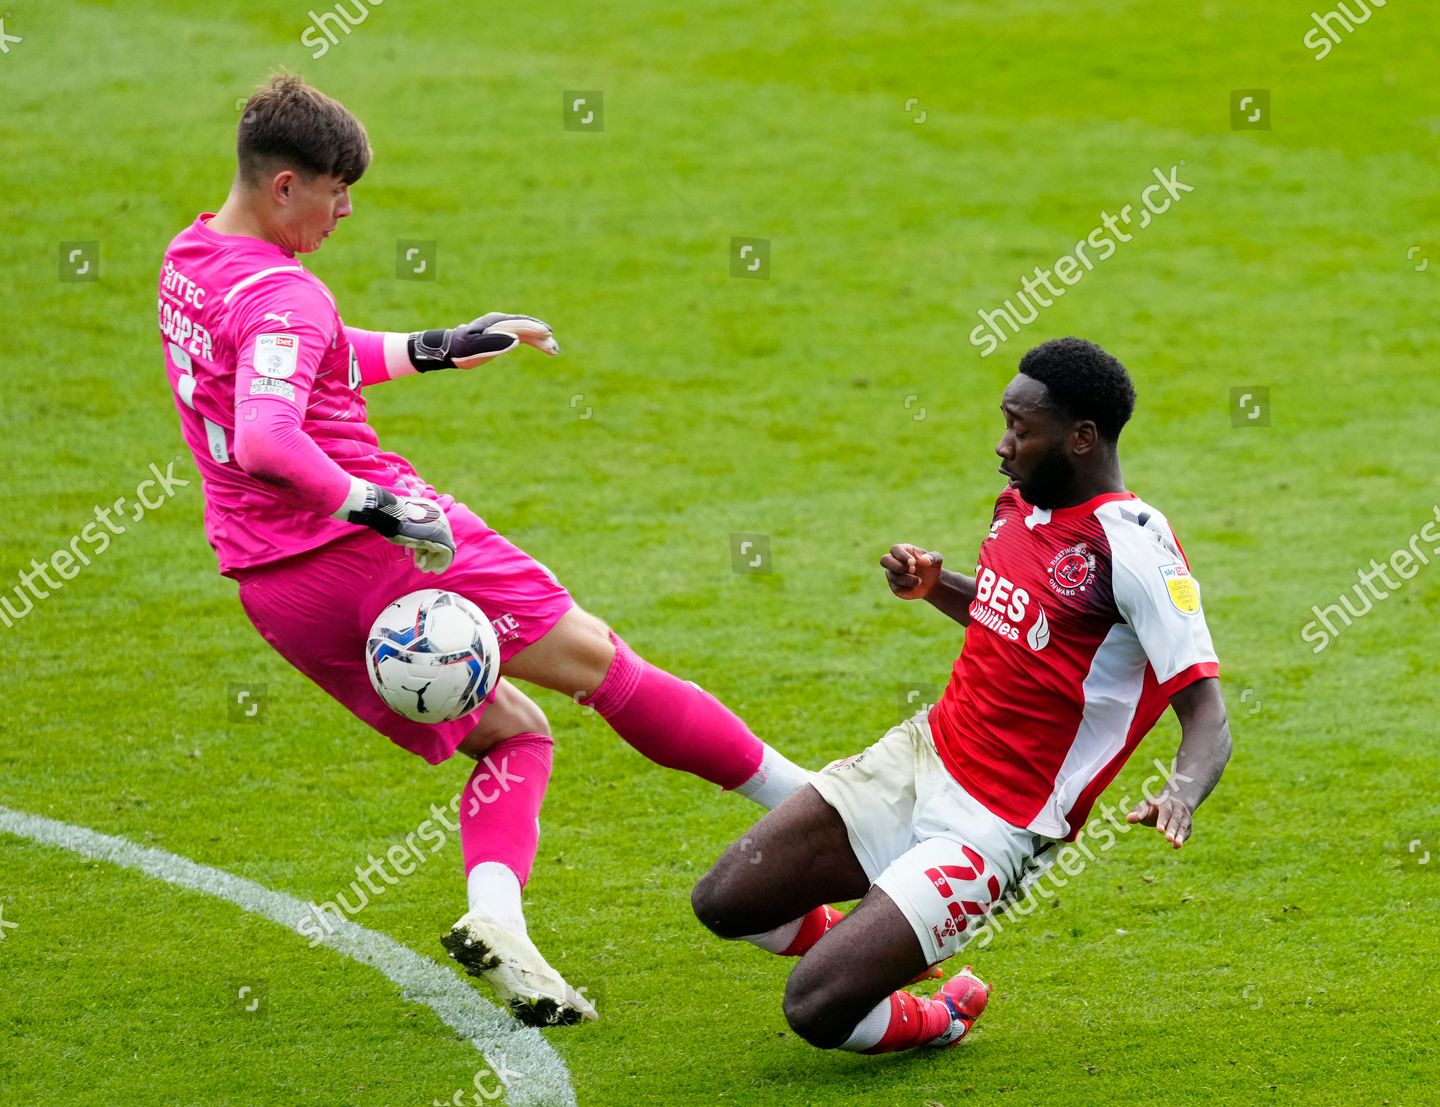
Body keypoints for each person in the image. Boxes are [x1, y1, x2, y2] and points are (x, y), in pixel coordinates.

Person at [155, 74, 808, 1027]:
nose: (345, 211)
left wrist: (442, 344)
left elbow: (304, 354)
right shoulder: (285, 291)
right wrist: (379, 508)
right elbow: (267, 433)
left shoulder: (194, 257)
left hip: (274, 586)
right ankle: (832, 811)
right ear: (285, 184)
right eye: (336, 192)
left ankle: (496, 919)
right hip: (374, 546)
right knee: (602, 666)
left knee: (514, 733)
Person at [692, 337, 1232, 1053]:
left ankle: (939, 1014)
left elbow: (1207, 713)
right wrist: (933, 586)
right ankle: (880, 941)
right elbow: (1020, 617)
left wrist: (1182, 793)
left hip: (994, 828)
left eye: (1020, 427)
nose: (1002, 445)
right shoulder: (1018, 504)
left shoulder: (1134, 548)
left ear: (1079, 438)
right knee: (725, 903)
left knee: (816, 1006)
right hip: (922, 754)